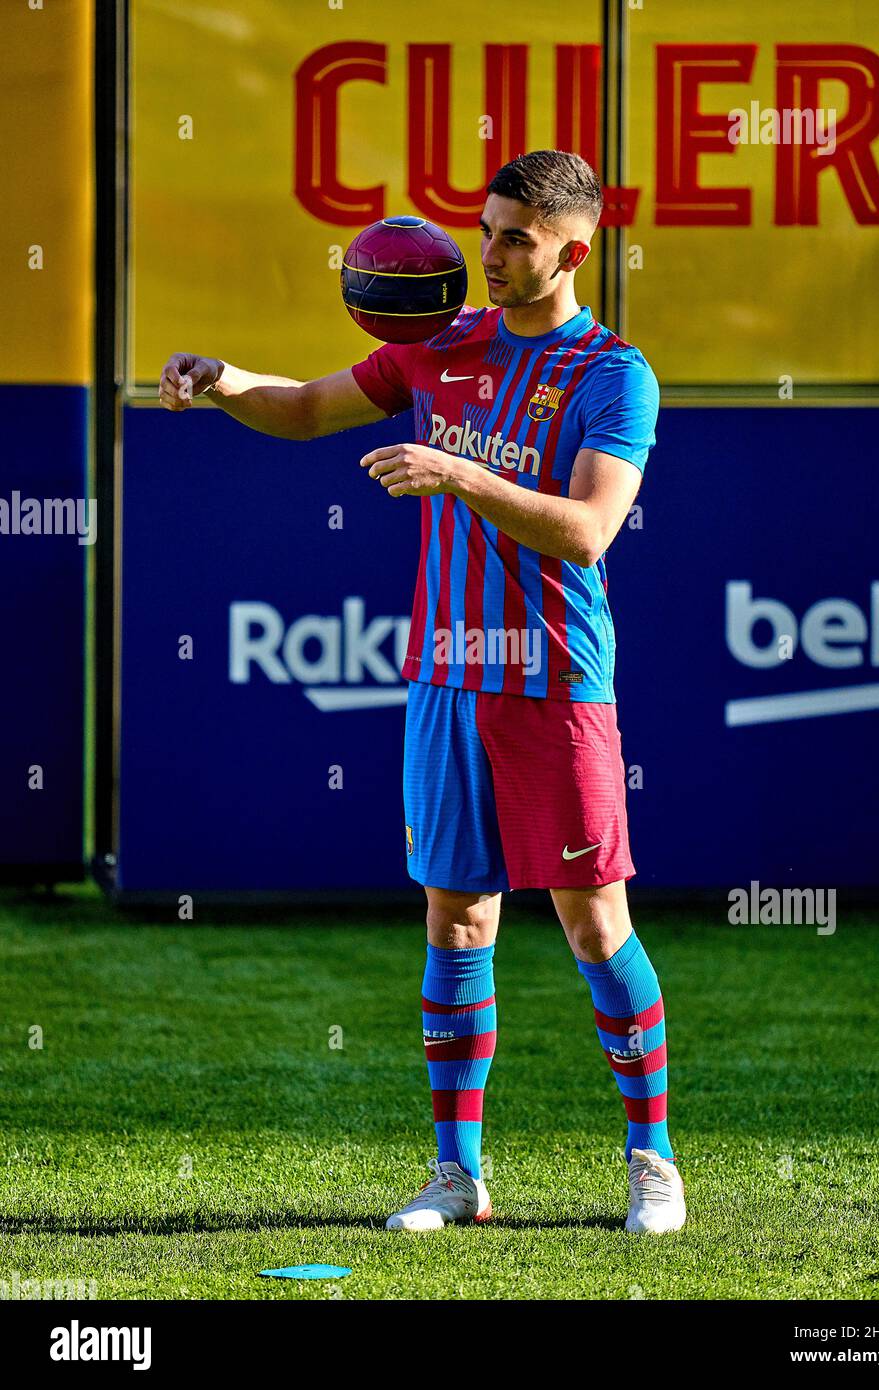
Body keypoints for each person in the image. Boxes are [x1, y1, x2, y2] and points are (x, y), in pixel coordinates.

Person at [159, 148, 684, 1236]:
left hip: (556, 677)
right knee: (456, 920)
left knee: (593, 923)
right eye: (485, 229)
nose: (485, 255)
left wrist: (461, 473)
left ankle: (652, 1159)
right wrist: (224, 380)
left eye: (513, 239)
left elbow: (587, 530)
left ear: (573, 251)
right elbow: (306, 406)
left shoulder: (613, 374)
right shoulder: (440, 347)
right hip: (446, 678)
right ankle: (458, 1174)